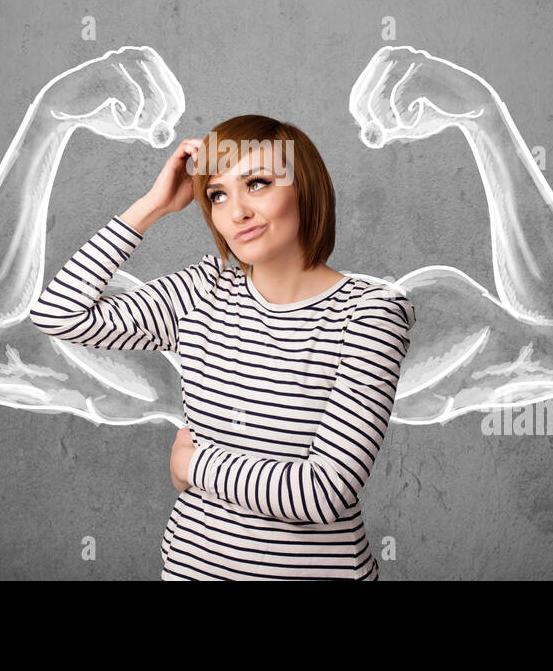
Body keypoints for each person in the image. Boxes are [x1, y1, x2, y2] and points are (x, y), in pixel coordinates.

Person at [28, 114, 416, 580]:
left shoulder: (370, 312)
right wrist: (153, 206)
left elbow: (323, 493)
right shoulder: (202, 290)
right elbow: (59, 313)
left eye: (257, 183)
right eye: (217, 194)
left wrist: (194, 465)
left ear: (305, 188)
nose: (237, 213)